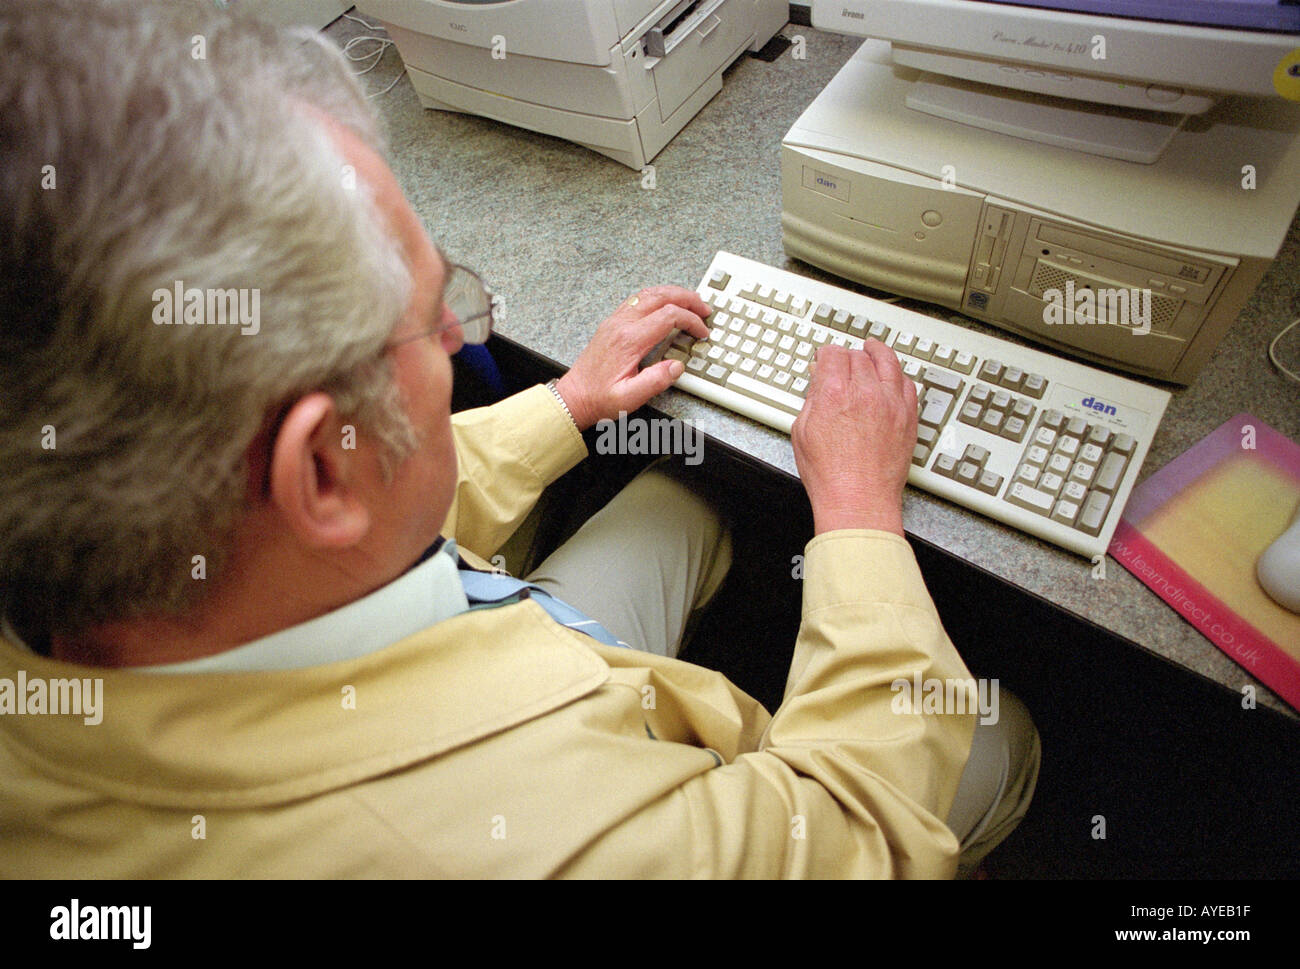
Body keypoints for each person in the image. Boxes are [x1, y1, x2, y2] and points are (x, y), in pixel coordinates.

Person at [0, 0, 1038, 877]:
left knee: (686, 498)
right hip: (583, 755)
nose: (459, 333)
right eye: (428, 308)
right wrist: (858, 513)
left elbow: (298, 535)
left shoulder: (132, 573)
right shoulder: (545, 846)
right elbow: (860, 827)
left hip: (499, 649)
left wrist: (569, 403)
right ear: (324, 469)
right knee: (994, 741)